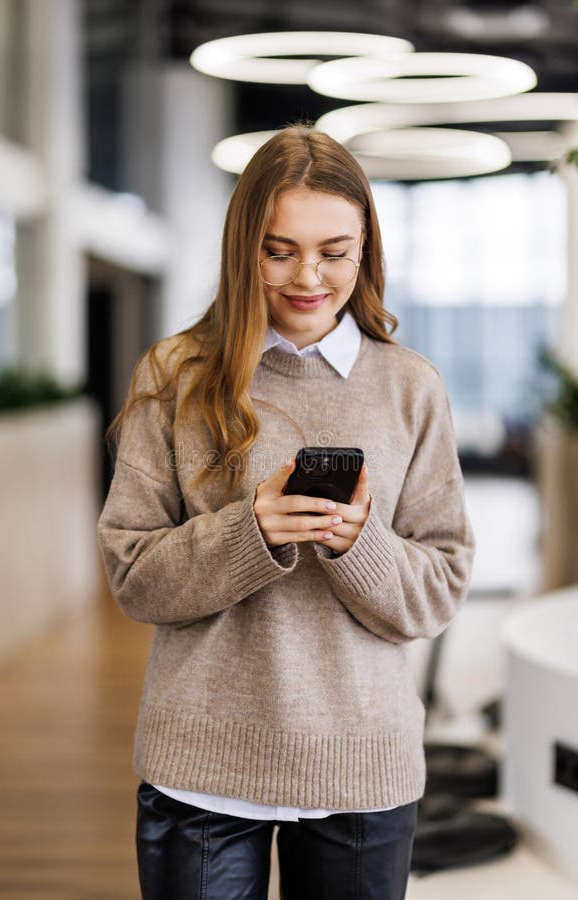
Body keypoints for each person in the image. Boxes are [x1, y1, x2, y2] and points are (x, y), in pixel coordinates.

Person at [97, 123, 475, 900]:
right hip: (202, 770)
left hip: (362, 763)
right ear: (244, 248)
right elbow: (134, 577)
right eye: (279, 249)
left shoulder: (411, 387)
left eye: (334, 251)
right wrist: (251, 532)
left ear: (365, 249)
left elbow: (437, 589)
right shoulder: (173, 377)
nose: (308, 275)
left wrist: (358, 543)